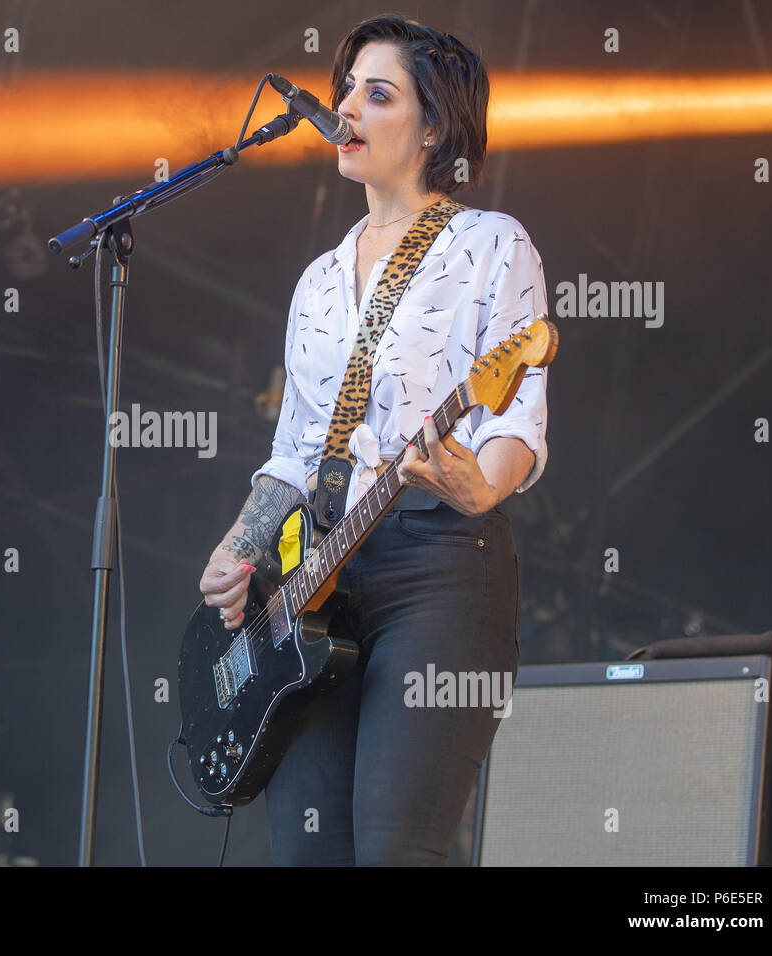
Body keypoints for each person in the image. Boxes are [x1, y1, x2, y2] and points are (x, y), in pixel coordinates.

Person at [197, 14, 549, 865]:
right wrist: (240, 548)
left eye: (377, 93)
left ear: (433, 127)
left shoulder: (490, 243)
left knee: (397, 849)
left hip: (438, 564)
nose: (347, 107)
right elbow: (294, 453)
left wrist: (479, 484)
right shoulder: (317, 281)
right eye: (346, 89)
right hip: (318, 577)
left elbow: (516, 417)